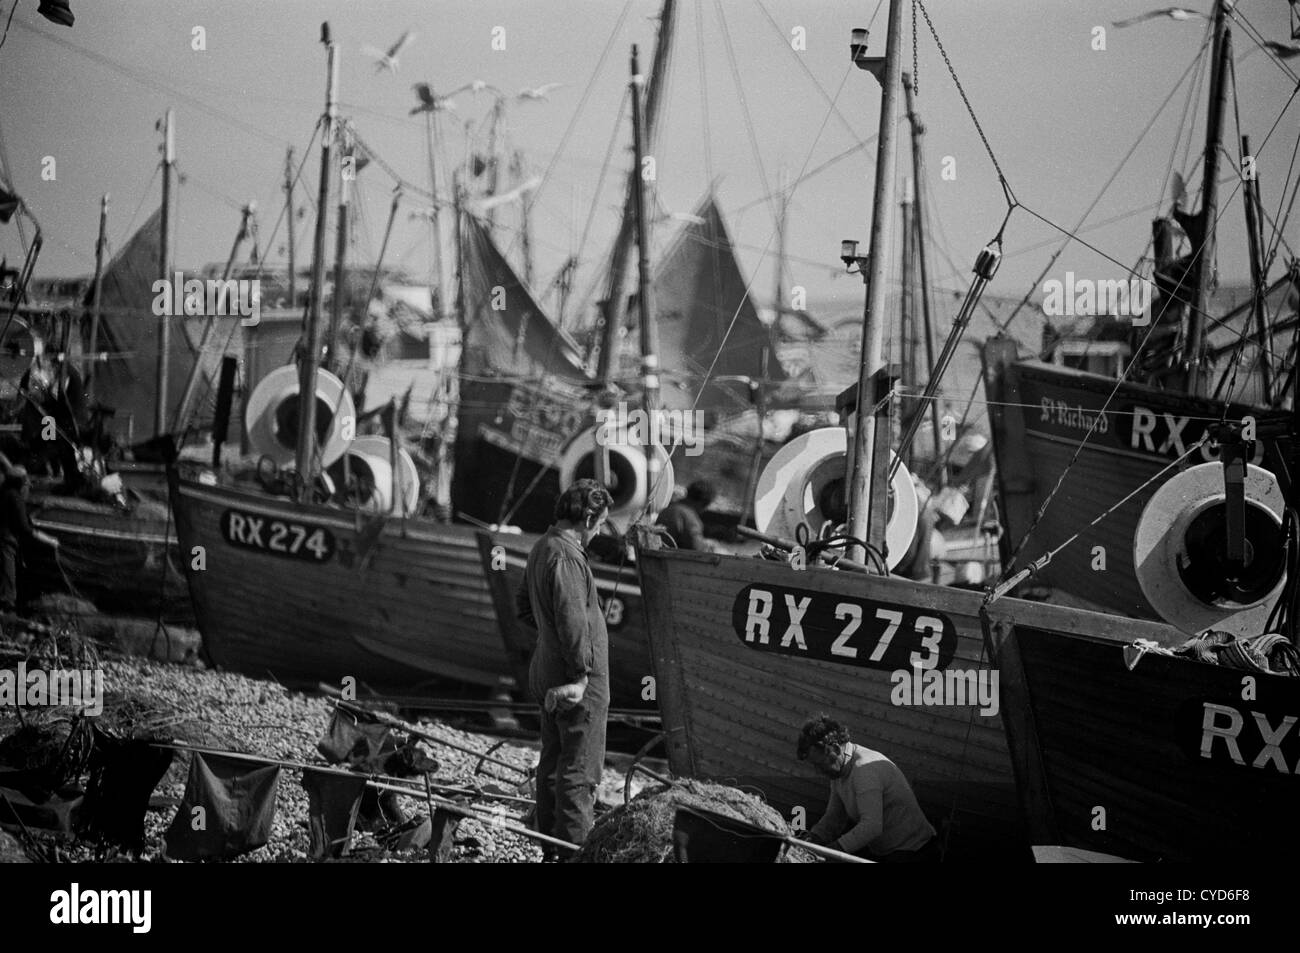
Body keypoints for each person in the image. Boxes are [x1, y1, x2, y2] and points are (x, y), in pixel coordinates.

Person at [515, 478, 613, 859]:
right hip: (575, 683)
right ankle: (572, 853)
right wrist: (580, 676)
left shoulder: (542, 547)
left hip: (547, 672)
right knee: (579, 772)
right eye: (601, 523)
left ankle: (550, 850)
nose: (600, 531)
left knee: (552, 764)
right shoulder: (569, 556)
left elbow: (523, 605)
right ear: (588, 517)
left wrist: (550, 644)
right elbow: (573, 621)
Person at [796, 713, 939, 862]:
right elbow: (834, 817)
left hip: (914, 851)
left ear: (836, 750)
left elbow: (872, 827)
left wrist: (832, 852)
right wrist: (812, 839)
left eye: (819, 765)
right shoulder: (840, 770)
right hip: (886, 850)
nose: (818, 771)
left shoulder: (864, 771)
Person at [0, 467, 60, 614]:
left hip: (4, 539)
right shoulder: (15, 497)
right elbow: (25, 528)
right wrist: (50, 540)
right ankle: (7, 611)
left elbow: (20, 519)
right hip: (5, 542)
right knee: (8, 580)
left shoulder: (5, 493)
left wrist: (40, 509)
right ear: (21, 483)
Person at [655, 479, 715, 551]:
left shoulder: (668, 508)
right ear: (703, 503)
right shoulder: (690, 518)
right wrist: (709, 548)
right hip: (671, 559)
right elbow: (697, 549)